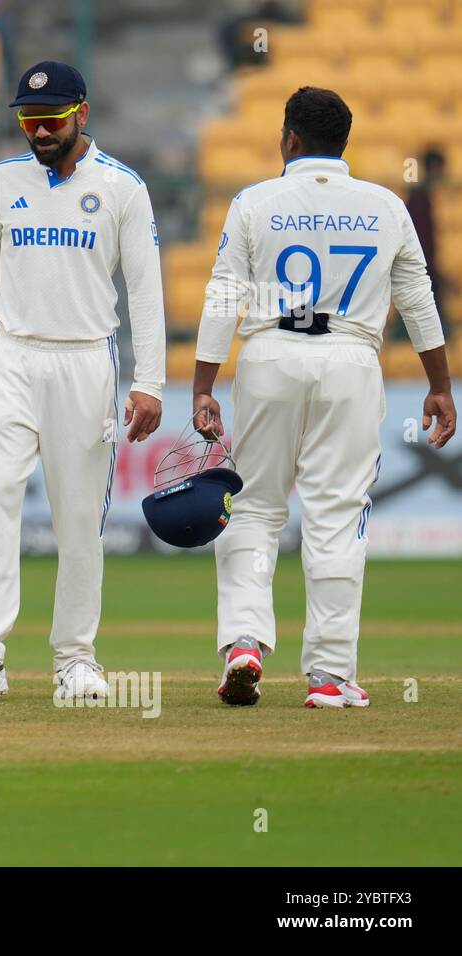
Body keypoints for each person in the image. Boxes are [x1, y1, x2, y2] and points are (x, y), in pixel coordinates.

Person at [194, 87, 455, 709]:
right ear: (345, 143)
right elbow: (418, 298)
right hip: (351, 360)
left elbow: (225, 295)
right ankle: (331, 677)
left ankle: (246, 643)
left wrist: (203, 384)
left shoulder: (254, 201)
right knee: (337, 513)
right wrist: (440, 384)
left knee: (253, 507)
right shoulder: (385, 204)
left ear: (289, 139)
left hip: (269, 357)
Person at [0, 60, 166, 701]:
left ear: (82, 114)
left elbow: (145, 293)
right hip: (10, 356)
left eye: (52, 118)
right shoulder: (1, 183)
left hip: (87, 360)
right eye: (29, 118)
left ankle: (75, 659)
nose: (38, 129)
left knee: (77, 519)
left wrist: (150, 381)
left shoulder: (123, 187)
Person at [405, 148, 448, 334]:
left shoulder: (422, 195)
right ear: (435, 168)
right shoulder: (419, 197)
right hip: (422, 269)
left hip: (425, 268)